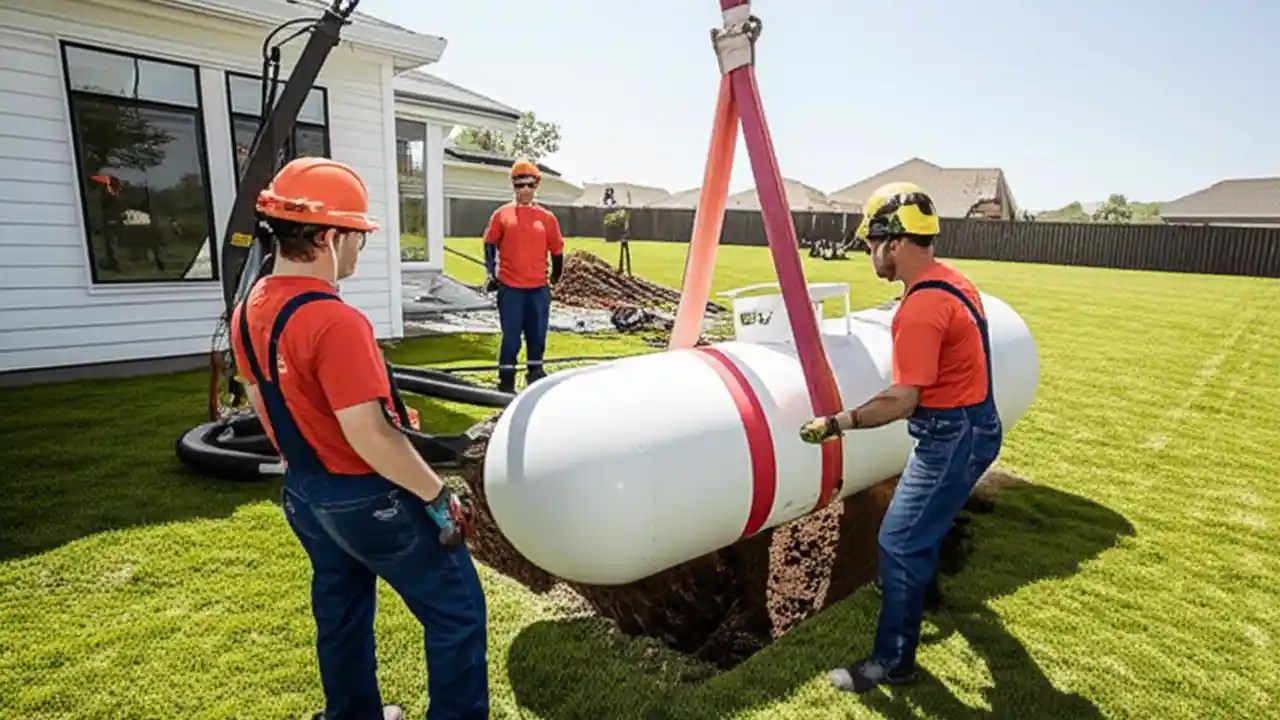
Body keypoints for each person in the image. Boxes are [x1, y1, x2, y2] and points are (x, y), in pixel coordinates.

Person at [230, 157, 489, 720]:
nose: (356, 251)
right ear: (326, 236)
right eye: (356, 238)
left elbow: (262, 403)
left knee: (341, 612)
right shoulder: (335, 323)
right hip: (370, 499)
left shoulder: (248, 307)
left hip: (304, 494)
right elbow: (369, 434)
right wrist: (437, 495)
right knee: (457, 611)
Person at [798, 181, 1004, 694]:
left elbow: (903, 399)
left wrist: (836, 423)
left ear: (894, 243)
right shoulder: (954, 282)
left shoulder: (919, 310)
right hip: (976, 423)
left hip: (950, 436)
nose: (869, 254)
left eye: (871, 244)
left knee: (896, 541)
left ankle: (892, 663)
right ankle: (919, 593)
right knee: (918, 536)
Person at [483, 158, 565, 393]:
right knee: (511, 339)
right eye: (519, 185)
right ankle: (505, 382)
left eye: (529, 185)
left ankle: (535, 375)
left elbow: (557, 251)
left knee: (537, 337)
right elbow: (490, 245)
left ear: (536, 186)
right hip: (511, 289)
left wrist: (555, 280)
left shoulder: (547, 218)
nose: (525, 190)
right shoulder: (502, 215)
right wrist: (491, 274)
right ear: (513, 187)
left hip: (538, 289)